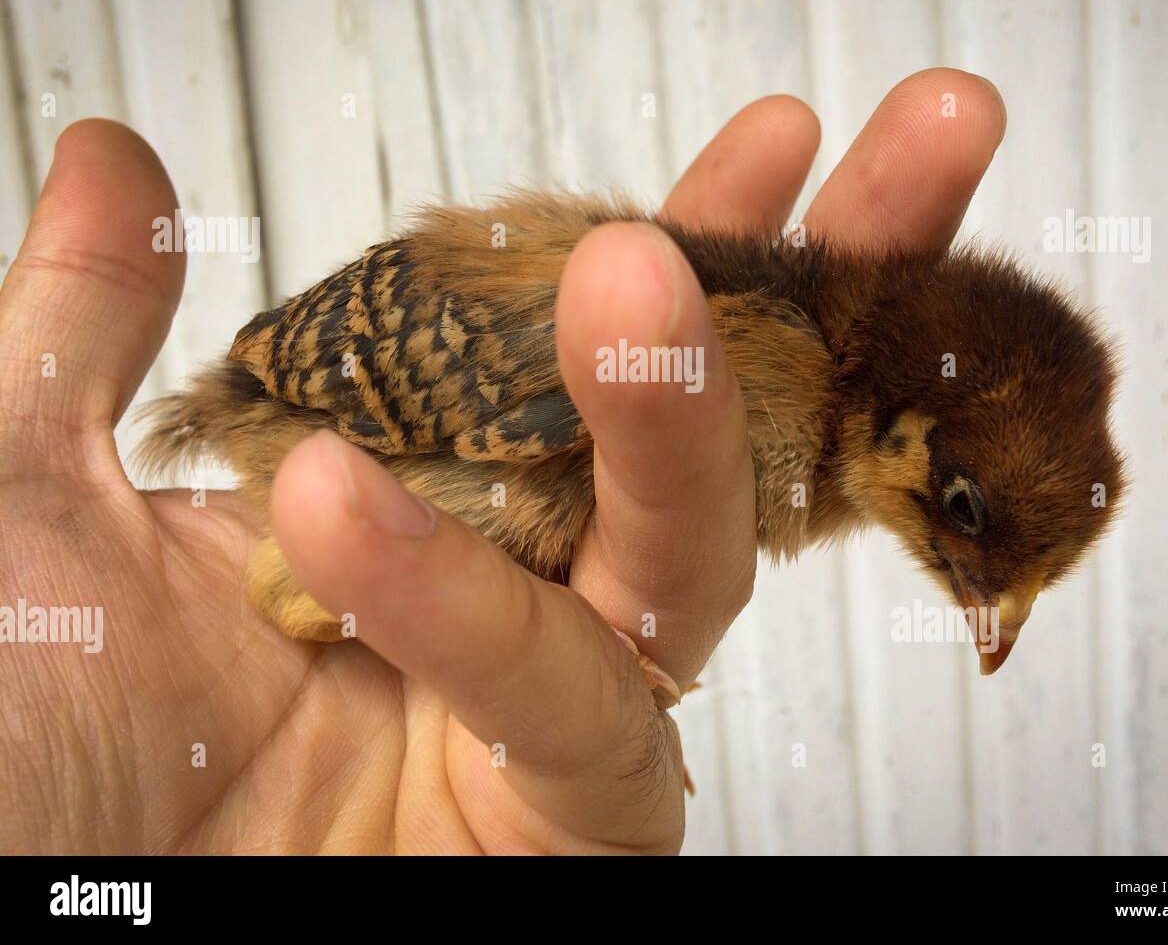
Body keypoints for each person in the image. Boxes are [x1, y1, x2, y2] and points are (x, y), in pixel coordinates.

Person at [0, 70, 1004, 854]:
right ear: (905, 428)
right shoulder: (745, 361)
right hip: (315, 432)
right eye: (969, 514)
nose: (990, 601)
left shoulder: (764, 380)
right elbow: (308, 378)